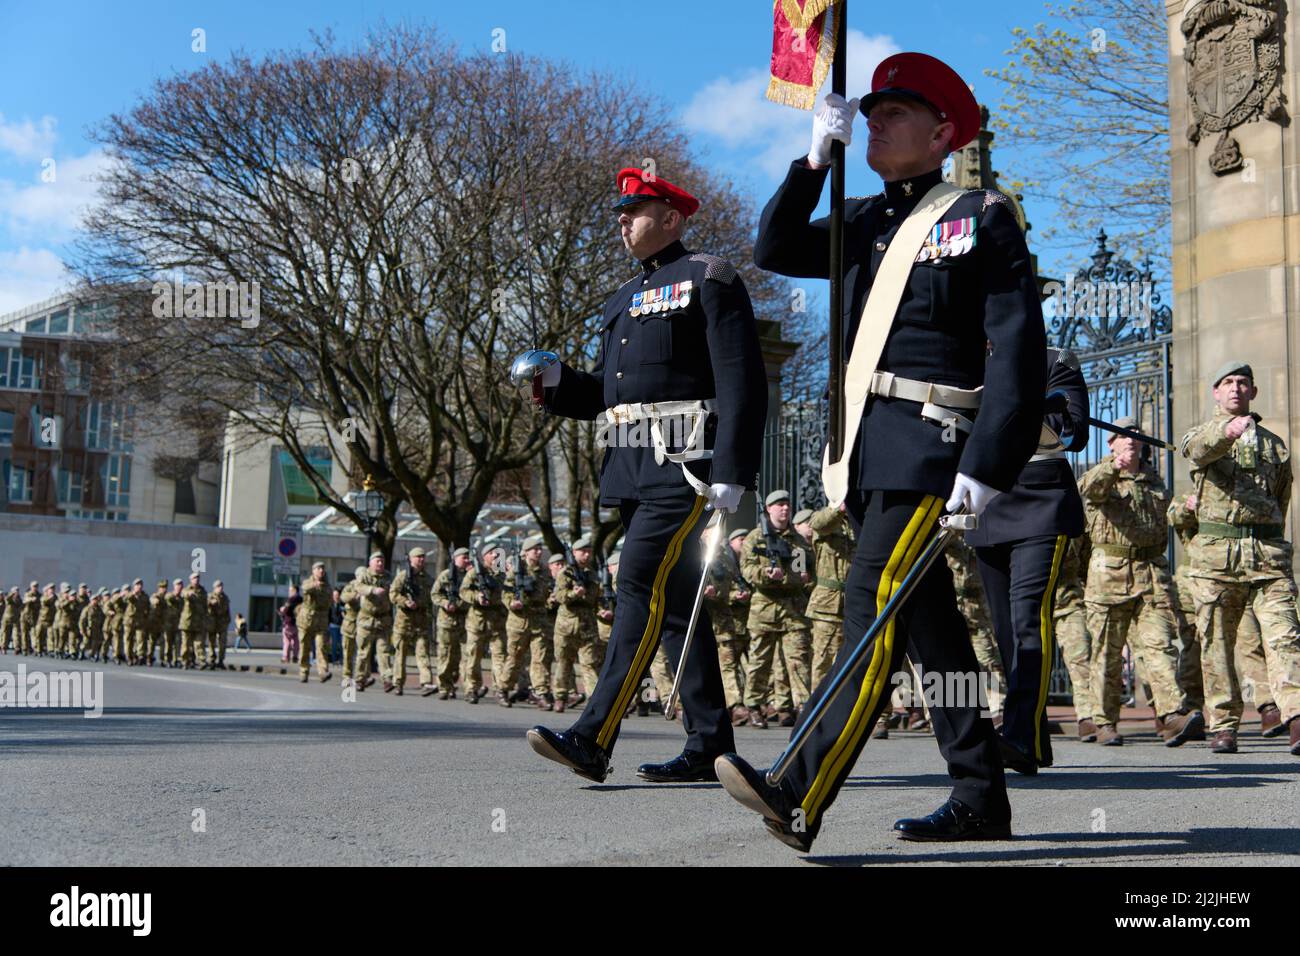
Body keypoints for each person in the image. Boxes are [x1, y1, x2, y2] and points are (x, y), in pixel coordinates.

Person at [715, 51, 1045, 850]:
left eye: (892, 114)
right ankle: (981, 798)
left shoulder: (979, 216)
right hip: (864, 452)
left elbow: (1019, 349)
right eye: (867, 115)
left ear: (941, 133)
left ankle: (798, 789)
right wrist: (812, 159)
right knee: (930, 631)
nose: (874, 123)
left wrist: (986, 463)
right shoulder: (862, 220)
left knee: (869, 612)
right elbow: (774, 246)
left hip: (931, 452)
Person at [521, 163, 767, 785]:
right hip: (632, 466)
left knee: (636, 586)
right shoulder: (621, 299)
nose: (623, 221)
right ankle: (709, 747)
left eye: (635, 211)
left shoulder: (708, 277)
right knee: (679, 607)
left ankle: (593, 735)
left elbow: (742, 379)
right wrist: (557, 384)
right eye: (621, 213)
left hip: (686, 468)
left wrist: (733, 471)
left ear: (672, 218)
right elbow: (611, 393)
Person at [965, 346, 1090, 773]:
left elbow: (1072, 432)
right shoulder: (963, 363)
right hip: (986, 508)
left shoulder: (1053, 360)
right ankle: (1033, 743)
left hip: (1040, 502)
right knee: (1004, 629)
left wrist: (1013, 404)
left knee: (1027, 619)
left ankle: (1017, 732)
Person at [1179, 361, 1300, 756]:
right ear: (1216, 392)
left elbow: (1281, 499)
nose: (1235, 388)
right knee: (1216, 644)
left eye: (1243, 383)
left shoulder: (1275, 445)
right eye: (1228, 383)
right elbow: (1198, 450)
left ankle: (1296, 716)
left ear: (1253, 391)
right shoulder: (1201, 436)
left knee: (1285, 636)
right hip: (1217, 562)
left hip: (1267, 557)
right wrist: (1226, 433)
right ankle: (1224, 724)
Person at [1078, 419, 1202, 746]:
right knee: (1108, 653)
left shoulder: (1154, 479)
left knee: (1158, 647)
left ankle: (1171, 715)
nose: (1130, 442)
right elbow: (1088, 491)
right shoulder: (1101, 474)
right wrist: (1112, 469)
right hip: (1109, 577)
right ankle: (1104, 721)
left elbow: (1169, 514)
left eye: (1135, 437)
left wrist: (1187, 507)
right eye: (1122, 437)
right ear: (1111, 443)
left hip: (1152, 577)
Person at [741, 491, 813, 728]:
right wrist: (766, 575)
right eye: (779, 505)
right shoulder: (754, 538)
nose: (784, 509)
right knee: (760, 661)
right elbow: (747, 570)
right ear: (769, 509)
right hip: (764, 609)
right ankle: (753, 706)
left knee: (798, 660)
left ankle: (802, 706)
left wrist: (786, 577)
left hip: (793, 610)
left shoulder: (798, 542)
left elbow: (802, 576)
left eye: (787, 505)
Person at [391, 547, 433, 696]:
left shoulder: (427, 578)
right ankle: (398, 682)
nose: (421, 560)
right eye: (418, 557)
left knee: (422, 652)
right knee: (400, 654)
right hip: (404, 622)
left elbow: (431, 597)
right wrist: (404, 602)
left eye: (423, 557)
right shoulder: (402, 576)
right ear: (411, 559)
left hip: (421, 621)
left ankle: (426, 682)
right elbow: (393, 594)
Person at [352, 552, 392, 691]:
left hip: (383, 620)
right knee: (364, 652)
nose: (380, 564)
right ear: (370, 563)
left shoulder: (388, 577)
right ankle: (360, 679)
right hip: (366, 620)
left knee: (384, 651)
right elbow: (358, 586)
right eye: (377, 561)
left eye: (382, 561)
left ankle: (387, 679)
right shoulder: (365, 575)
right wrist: (372, 590)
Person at [297, 562, 333, 683]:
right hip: (306, 620)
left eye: (323, 568)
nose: (321, 571)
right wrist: (314, 585)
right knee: (304, 647)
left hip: (321, 621)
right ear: (313, 571)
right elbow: (304, 588)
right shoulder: (308, 582)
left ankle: (323, 672)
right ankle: (304, 670)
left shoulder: (327, 586)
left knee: (322, 646)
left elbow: (330, 602)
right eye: (318, 569)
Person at [279, 585, 301, 663]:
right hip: (299, 623)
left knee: (287, 640)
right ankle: (295, 656)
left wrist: (281, 611)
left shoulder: (291, 599)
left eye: (290, 591)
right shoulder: (301, 599)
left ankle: (286, 657)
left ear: (294, 590)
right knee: (296, 641)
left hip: (289, 622)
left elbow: (285, 609)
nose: (289, 592)